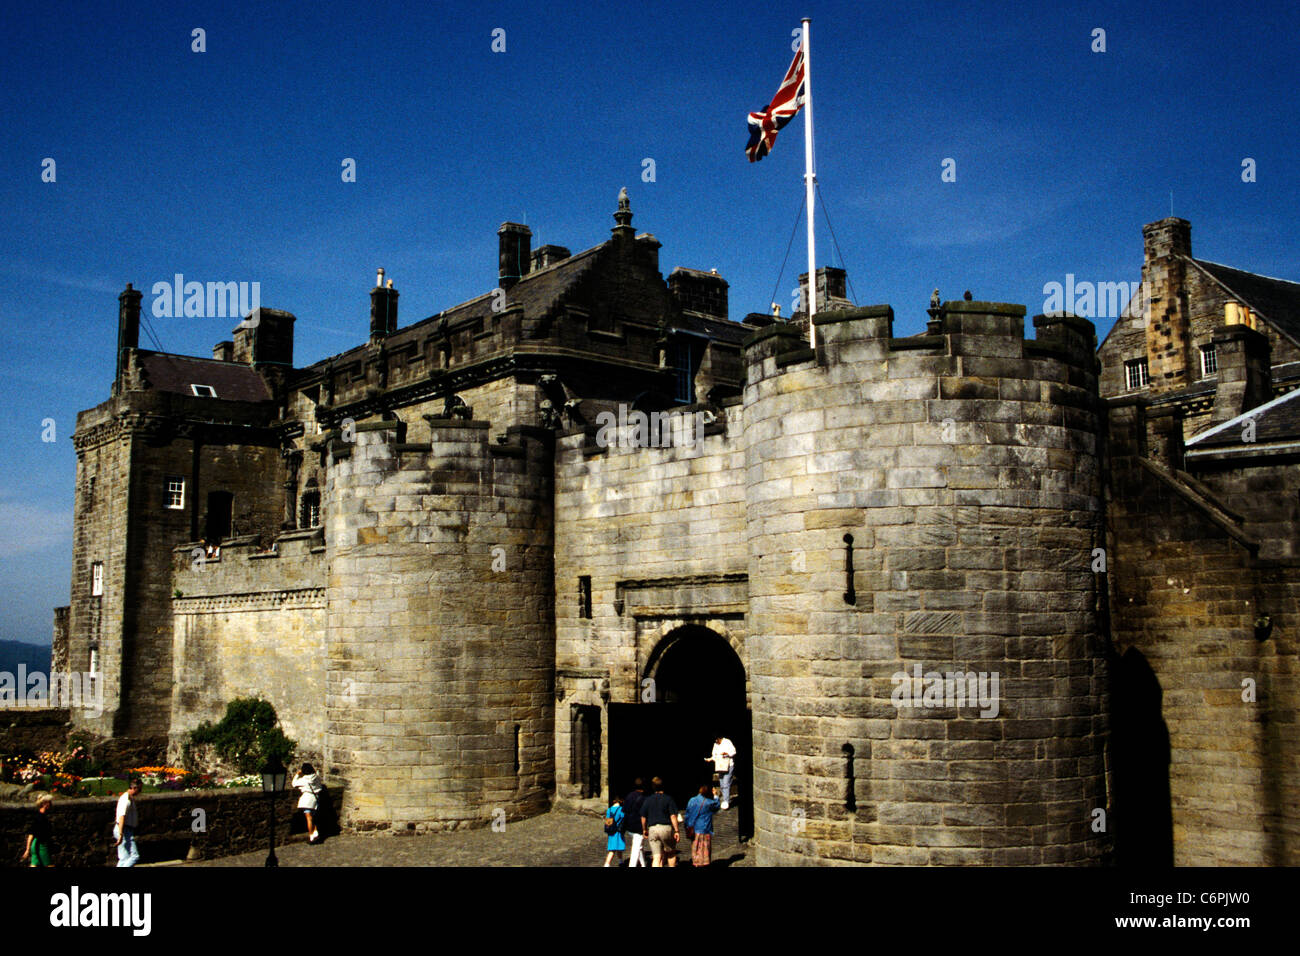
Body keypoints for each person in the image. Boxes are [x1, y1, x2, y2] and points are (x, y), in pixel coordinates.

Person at [640, 776, 681, 867]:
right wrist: (677, 830)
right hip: (666, 828)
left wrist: (644, 829)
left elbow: (643, 817)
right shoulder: (668, 799)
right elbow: (673, 816)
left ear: (653, 787)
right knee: (670, 854)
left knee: (656, 857)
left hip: (653, 829)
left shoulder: (648, 800)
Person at [683, 784, 722, 867]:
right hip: (704, 829)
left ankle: (696, 864)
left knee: (696, 850)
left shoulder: (691, 800)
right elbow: (717, 805)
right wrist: (715, 795)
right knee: (704, 852)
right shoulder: (708, 803)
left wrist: (686, 826)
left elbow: (687, 815)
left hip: (694, 829)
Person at [292, 763, 324, 843]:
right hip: (315, 798)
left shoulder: (304, 780)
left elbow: (294, 783)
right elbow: (320, 787)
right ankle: (316, 833)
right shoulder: (316, 777)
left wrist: (297, 774)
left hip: (307, 799)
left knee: (309, 818)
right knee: (314, 817)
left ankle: (311, 836)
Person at [114, 777, 142, 867]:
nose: (140, 792)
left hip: (125, 829)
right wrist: (121, 834)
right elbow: (122, 817)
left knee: (124, 858)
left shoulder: (129, 798)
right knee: (135, 856)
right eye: (140, 789)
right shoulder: (126, 800)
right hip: (124, 830)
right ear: (134, 788)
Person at [21, 794, 54, 867]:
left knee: (34, 865)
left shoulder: (38, 816)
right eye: (49, 802)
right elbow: (32, 833)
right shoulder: (41, 818)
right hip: (41, 846)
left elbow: (32, 833)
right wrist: (27, 849)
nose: (51, 804)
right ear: (44, 804)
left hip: (35, 845)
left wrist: (28, 849)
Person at [622, 778, 648, 867]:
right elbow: (645, 814)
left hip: (630, 826)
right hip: (638, 827)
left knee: (639, 846)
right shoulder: (644, 798)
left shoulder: (629, 796)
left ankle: (643, 864)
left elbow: (624, 810)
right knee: (636, 848)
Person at [706, 736, 737, 810]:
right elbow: (714, 755)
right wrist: (710, 759)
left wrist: (726, 753)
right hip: (720, 766)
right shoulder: (715, 744)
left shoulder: (727, 742)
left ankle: (726, 801)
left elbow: (733, 752)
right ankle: (724, 799)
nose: (716, 741)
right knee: (722, 783)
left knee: (726, 783)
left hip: (728, 765)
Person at [603, 795, 626, 867]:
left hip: (611, 832)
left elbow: (608, 821)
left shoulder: (609, 810)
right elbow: (623, 818)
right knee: (613, 850)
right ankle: (607, 864)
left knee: (616, 847)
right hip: (618, 831)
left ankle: (621, 861)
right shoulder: (621, 809)